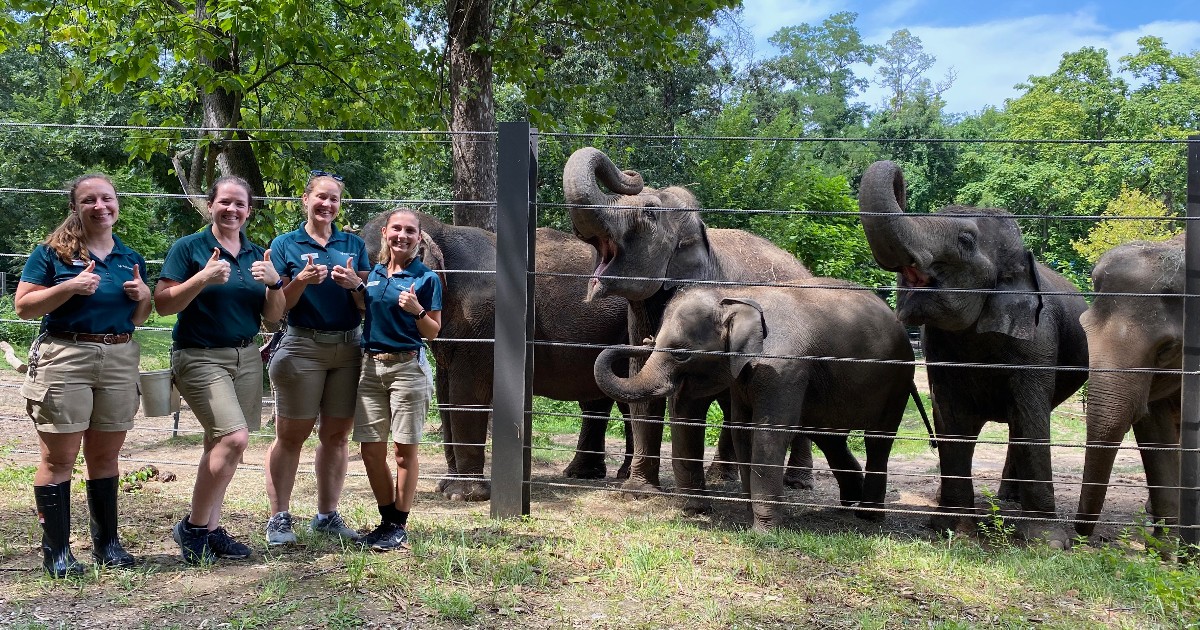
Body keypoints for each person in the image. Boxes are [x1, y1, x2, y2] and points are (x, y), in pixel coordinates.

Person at [15, 173, 152, 577]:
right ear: (75, 207)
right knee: (59, 458)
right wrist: (70, 287)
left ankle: (107, 546)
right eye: (89, 200)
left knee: (105, 456)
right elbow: (24, 306)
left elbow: (138, 318)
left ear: (117, 204)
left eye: (106, 198)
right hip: (66, 356)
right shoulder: (50, 253)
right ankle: (57, 553)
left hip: (119, 355)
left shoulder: (130, 257)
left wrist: (144, 296)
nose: (99, 206)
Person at [154, 175, 285, 565]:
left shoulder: (258, 254)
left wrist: (275, 284)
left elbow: (273, 318)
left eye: (240, 204)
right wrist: (202, 278)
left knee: (220, 444)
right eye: (224, 202)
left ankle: (210, 529)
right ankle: (194, 528)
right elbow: (163, 304)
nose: (232, 209)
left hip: (246, 357)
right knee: (234, 438)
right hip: (199, 355)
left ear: (249, 210)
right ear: (210, 205)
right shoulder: (189, 248)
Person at [262, 171, 369, 545]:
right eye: (320, 197)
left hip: (349, 349)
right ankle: (279, 518)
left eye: (334, 199)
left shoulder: (354, 244)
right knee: (291, 436)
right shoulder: (284, 244)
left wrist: (356, 285)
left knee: (337, 436)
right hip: (302, 347)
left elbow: (367, 303)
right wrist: (301, 281)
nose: (327, 204)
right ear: (305, 200)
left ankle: (327, 516)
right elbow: (277, 308)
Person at [332, 207, 441, 551]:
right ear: (385, 233)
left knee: (404, 452)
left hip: (408, 369)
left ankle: (398, 525)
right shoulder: (376, 273)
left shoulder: (426, 278)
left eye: (410, 231)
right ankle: (386, 519)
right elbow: (370, 306)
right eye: (396, 229)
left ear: (419, 237)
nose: (402, 236)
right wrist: (356, 286)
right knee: (370, 449)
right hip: (370, 369)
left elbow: (433, 331)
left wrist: (417, 311)